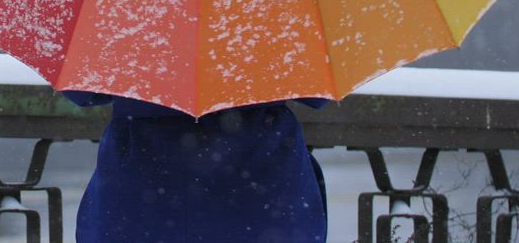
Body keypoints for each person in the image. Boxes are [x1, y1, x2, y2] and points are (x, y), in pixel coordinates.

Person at [65, 92, 328, 242]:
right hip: (263, 200)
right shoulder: (268, 4)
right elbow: (317, 95)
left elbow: (82, 92)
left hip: (143, 200)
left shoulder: (128, 5)